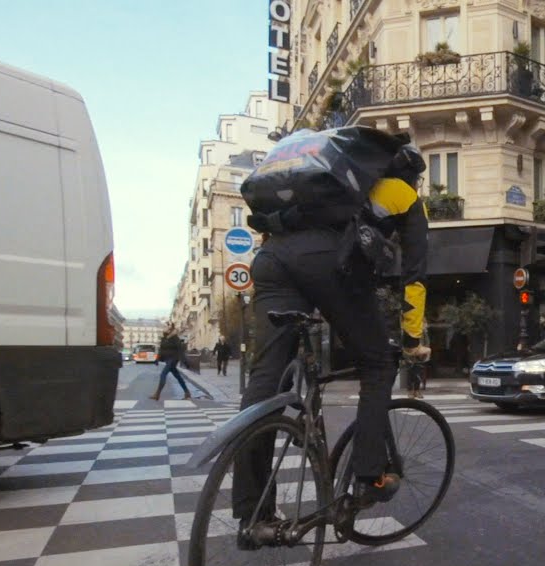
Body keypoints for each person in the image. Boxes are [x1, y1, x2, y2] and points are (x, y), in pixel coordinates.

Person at [233, 135, 431, 535]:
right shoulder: (404, 194)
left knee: (264, 383)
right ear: (410, 174)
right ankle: (368, 477)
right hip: (326, 262)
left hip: (271, 260)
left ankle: (253, 514)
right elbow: (415, 276)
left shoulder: (333, 186)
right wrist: (412, 340)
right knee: (378, 363)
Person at [151, 324, 191, 401]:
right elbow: (161, 350)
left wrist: (185, 361)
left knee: (163, 374)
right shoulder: (164, 338)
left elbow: (180, 349)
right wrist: (157, 359)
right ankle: (187, 392)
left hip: (173, 359)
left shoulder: (175, 338)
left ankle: (157, 394)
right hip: (167, 359)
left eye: (166, 327)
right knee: (177, 376)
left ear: (170, 330)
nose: (164, 328)